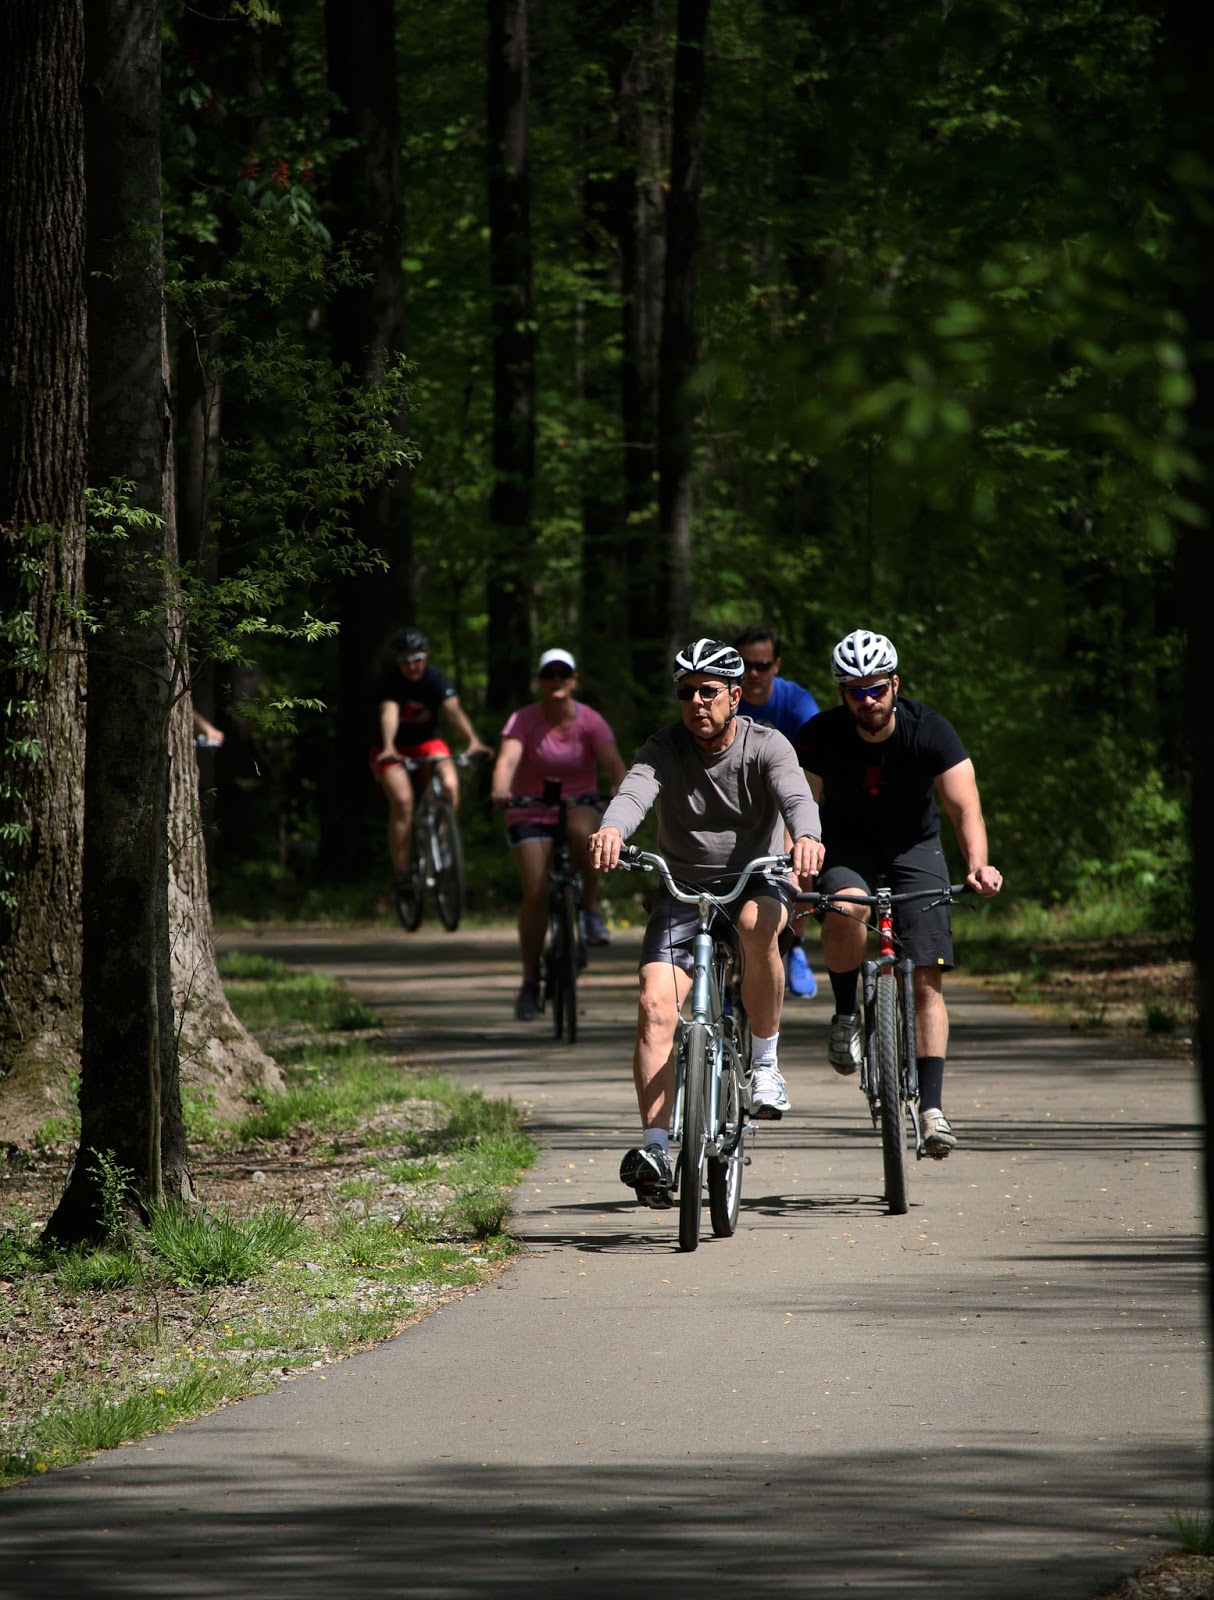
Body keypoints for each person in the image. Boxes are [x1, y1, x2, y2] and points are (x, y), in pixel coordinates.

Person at [589, 638, 825, 1208]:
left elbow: (797, 797)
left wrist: (809, 838)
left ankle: (765, 1063)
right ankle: (654, 1147)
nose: (697, 702)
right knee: (653, 1005)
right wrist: (612, 829)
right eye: (687, 692)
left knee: (755, 924)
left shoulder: (767, 745)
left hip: (755, 878)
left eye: (709, 691)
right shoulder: (664, 747)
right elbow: (635, 790)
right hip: (683, 888)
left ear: (736, 696)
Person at [795, 628, 1002, 1158]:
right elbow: (800, 811)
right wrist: (798, 875)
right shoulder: (820, 735)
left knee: (927, 976)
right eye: (856, 690)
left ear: (895, 684)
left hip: (915, 848)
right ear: (842, 695)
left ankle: (931, 1109)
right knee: (845, 908)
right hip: (845, 848)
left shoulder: (929, 730)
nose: (869, 700)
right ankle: (846, 1015)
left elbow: (964, 807)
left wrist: (978, 865)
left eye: (878, 687)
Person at [491, 648, 627, 1021]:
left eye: (563, 674)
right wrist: (501, 787)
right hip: (529, 807)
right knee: (535, 892)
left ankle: (590, 910)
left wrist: (620, 787)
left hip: (578, 802)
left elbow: (614, 762)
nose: (556, 681)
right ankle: (530, 980)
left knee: (585, 831)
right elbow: (507, 759)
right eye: (549, 674)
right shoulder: (523, 720)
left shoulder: (590, 721)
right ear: (540, 680)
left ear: (573, 680)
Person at [371, 626, 492, 927]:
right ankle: (402, 874)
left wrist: (473, 740)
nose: (413, 666)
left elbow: (452, 711)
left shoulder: (435, 679)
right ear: (398, 661)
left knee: (450, 783)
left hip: (427, 743)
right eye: (406, 661)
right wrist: (388, 748)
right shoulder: (390, 683)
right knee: (403, 802)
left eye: (419, 659)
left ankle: (442, 843)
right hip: (392, 747)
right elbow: (389, 714)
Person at [733, 624, 822, 1000]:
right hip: (736, 800)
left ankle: (796, 945)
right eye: (746, 665)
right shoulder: (724, 697)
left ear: (777, 665)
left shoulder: (796, 702)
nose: (754, 674)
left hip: (786, 796)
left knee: (797, 858)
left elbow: (817, 757)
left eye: (763, 665)